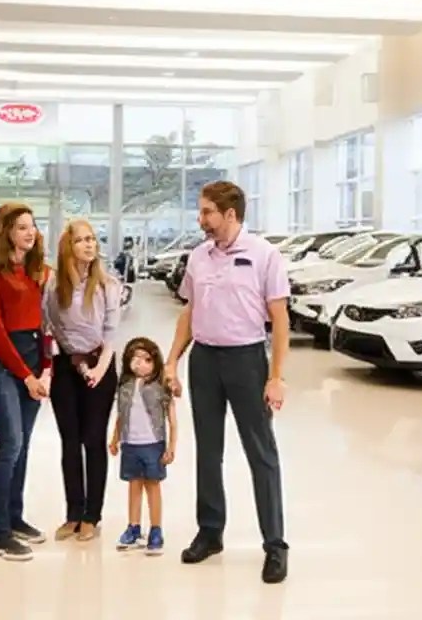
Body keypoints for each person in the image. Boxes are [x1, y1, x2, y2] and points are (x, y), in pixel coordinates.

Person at [163, 180, 290, 584]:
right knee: (208, 451)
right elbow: (189, 311)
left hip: (247, 360)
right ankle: (210, 531)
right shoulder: (198, 256)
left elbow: (280, 320)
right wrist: (172, 360)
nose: (201, 219)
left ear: (230, 214)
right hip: (204, 360)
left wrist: (276, 377)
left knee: (261, 453)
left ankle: (275, 545)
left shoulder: (264, 254)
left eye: (207, 212)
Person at [0, 202, 52, 561]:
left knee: (23, 446)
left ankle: (14, 517)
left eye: (32, 226)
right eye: (22, 227)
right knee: (11, 444)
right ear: (5, 231)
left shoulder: (37, 270)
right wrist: (25, 375)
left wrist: (45, 369)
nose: (30, 232)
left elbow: (45, 323)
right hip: (4, 366)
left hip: (34, 364)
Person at [42, 219, 121, 542]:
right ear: (68, 247)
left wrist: (98, 368)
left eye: (92, 239)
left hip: (100, 364)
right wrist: (68, 360)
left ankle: (92, 515)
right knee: (70, 441)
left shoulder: (107, 285)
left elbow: (111, 332)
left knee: (93, 439)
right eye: (81, 240)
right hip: (67, 366)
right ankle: (74, 513)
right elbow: (50, 326)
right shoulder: (54, 286)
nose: (89, 245)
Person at [109, 336, 177, 556]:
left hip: (153, 444)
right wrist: (115, 438)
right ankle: (133, 527)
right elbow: (121, 415)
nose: (140, 364)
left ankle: (156, 529)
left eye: (147, 359)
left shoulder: (161, 388)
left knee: (153, 486)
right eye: (135, 358)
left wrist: (171, 446)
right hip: (130, 443)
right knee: (134, 486)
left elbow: (172, 420)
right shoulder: (125, 387)